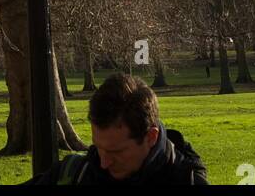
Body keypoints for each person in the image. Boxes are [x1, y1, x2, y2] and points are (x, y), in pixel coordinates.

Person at [25, 73, 208, 186]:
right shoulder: (71, 175)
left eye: (116, 151)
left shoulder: (187, 180)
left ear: (151, 137)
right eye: (98, 147)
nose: (104, 162)